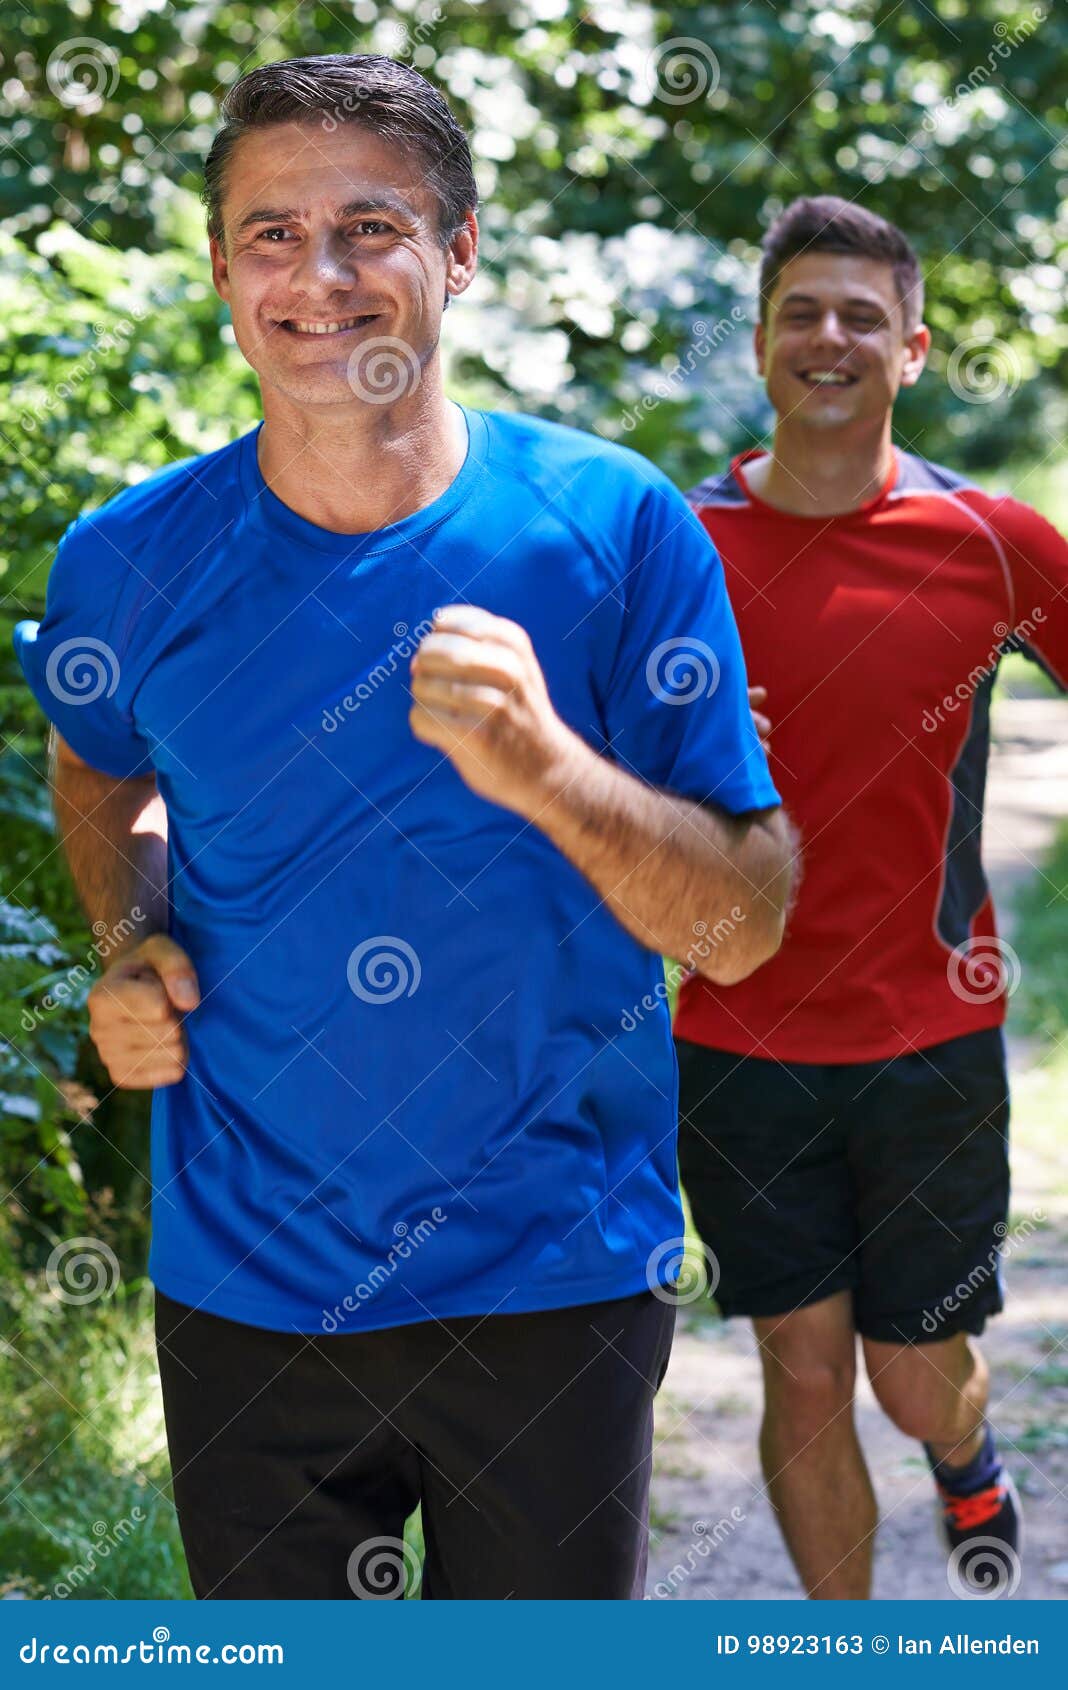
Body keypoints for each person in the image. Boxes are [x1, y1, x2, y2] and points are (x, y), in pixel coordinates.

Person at [13, 54, 793, 1601]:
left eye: (371, 226)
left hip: (554, 1270)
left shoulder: (617, 525)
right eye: (271, 234)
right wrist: (130, 936)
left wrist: (555, 772)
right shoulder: (129, 558)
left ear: (459, 252)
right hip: (245, 1280)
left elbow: (743, 922)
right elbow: (96, 769)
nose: (319, 277)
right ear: (222, 265)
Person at [674, 194, 1068, 1600]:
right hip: (730, 1039)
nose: (828, 336)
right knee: (803, 1366)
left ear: (908, 349)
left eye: (860, 315)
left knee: (912, 1377)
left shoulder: (995, 541)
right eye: (801, 310)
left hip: (929, 1038)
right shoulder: (676, 546)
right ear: (765, 342)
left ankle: (965, 1456)